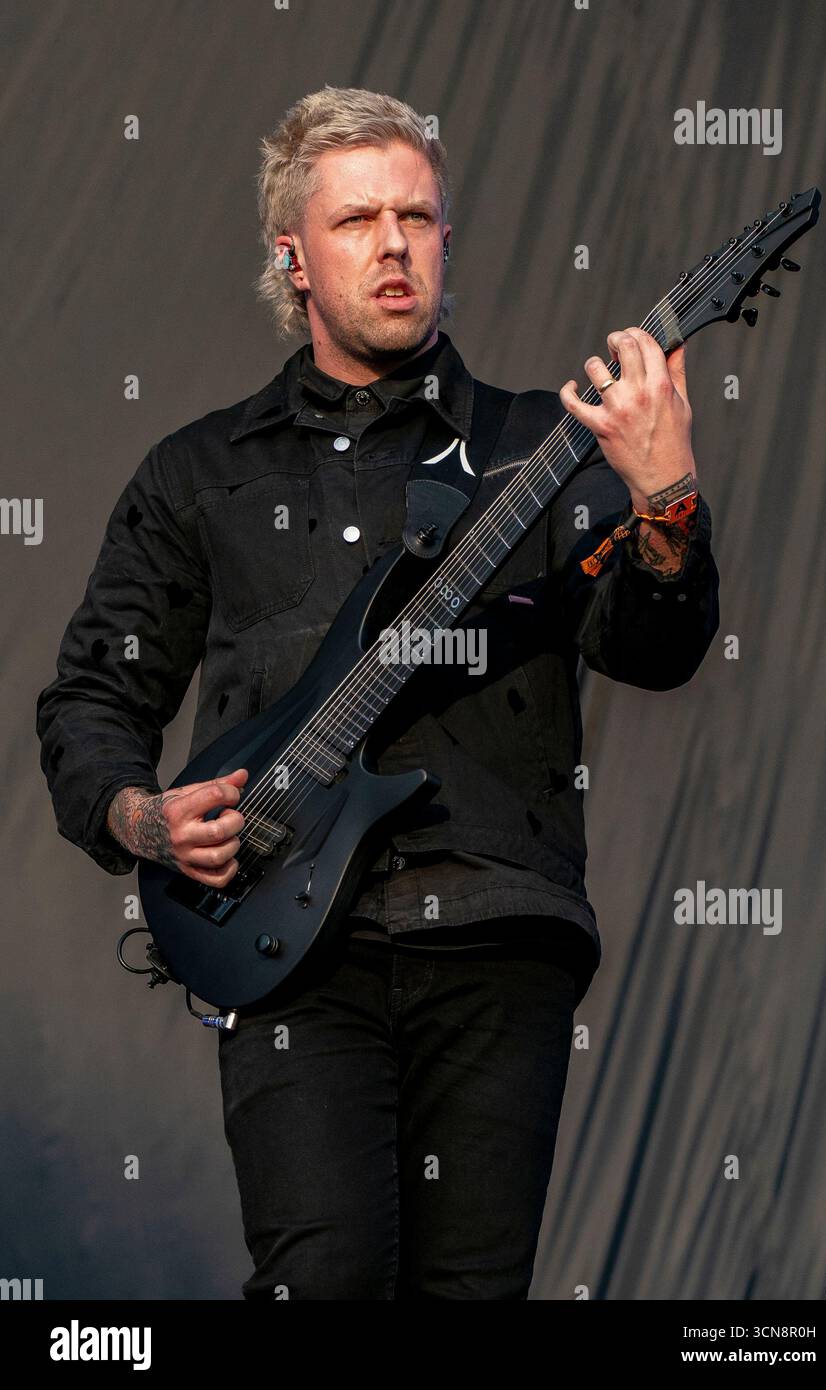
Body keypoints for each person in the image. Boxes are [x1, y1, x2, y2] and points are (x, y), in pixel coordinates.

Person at [36, 86, 719, 1299]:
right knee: (325, 1276)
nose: (395, 244)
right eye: (358, 221)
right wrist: (143, 817)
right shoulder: (198, 472)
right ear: (291, 256)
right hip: (291, 946)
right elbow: (90, 700)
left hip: (500, 934)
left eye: (418, 216)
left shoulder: (539, 447)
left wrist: (664, 500)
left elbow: (657, 647)